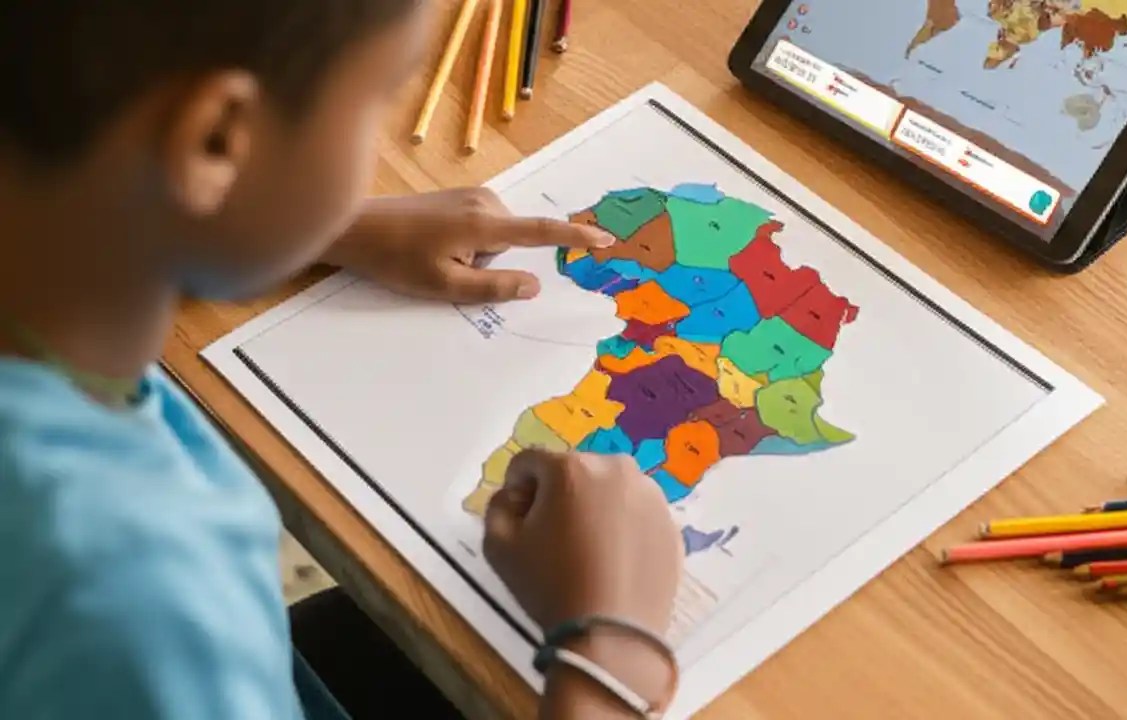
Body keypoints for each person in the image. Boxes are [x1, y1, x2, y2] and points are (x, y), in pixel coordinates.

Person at [0, 2, 683, 719]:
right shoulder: (140, 609)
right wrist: (609, 659)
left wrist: (313, 226)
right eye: (379, 100)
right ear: (217, 142)